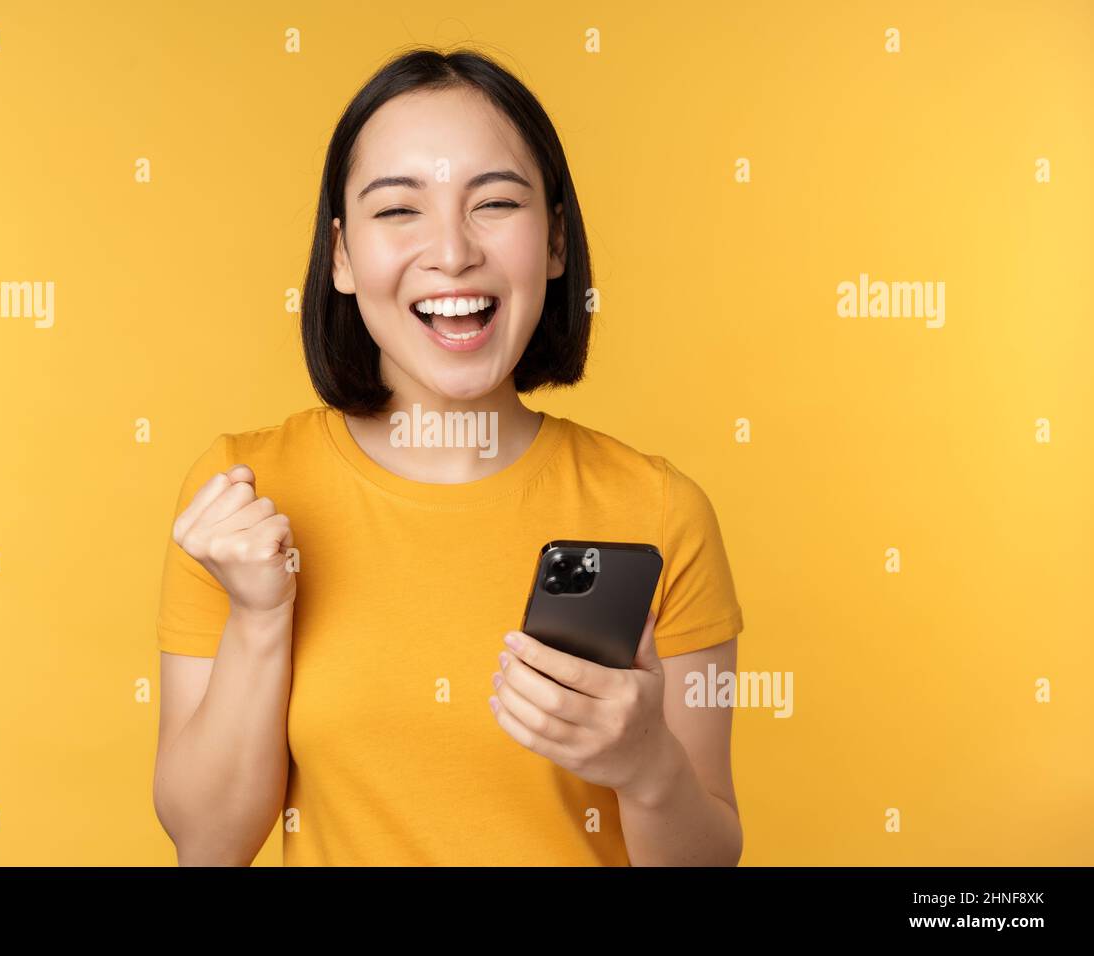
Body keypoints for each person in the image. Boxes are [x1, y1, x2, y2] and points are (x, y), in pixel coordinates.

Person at [151, 47, 745, 866]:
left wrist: (649, 770)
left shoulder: (660, 510)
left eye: (495, 203)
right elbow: (209, 847)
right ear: (343, 258)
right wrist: (259, 618)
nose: (454, 252)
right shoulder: (244, 498)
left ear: (557, 242)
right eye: (399, 211)